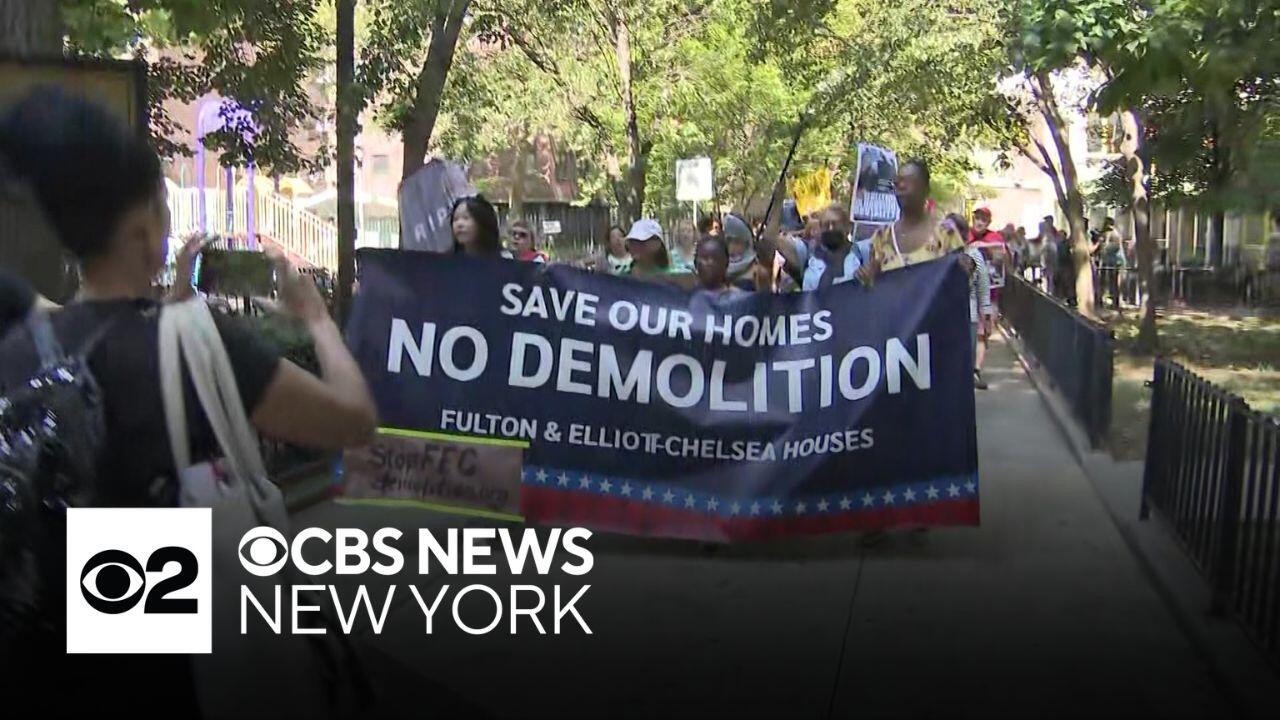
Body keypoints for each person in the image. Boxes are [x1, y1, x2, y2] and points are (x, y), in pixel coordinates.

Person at [0, 87, 378, 715]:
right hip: (168, 675)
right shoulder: (202, 345)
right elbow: (353, 420)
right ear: (147, 225)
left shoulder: (19, 352)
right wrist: (315, 319)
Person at [859, 158, 965, 283]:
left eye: (909, 181)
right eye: (897, 182)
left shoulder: (946, 232)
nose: (900, 186)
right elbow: (872, 288)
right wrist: (867, 276)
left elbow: (959, 284)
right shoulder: (881, 236)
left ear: (926, 190)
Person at [947, 214, 993, 390]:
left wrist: (986, 315)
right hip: (942, 317)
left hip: (968, 317)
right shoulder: (938, 254)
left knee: (964, 359)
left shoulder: (974, 255)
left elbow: (983, 288)